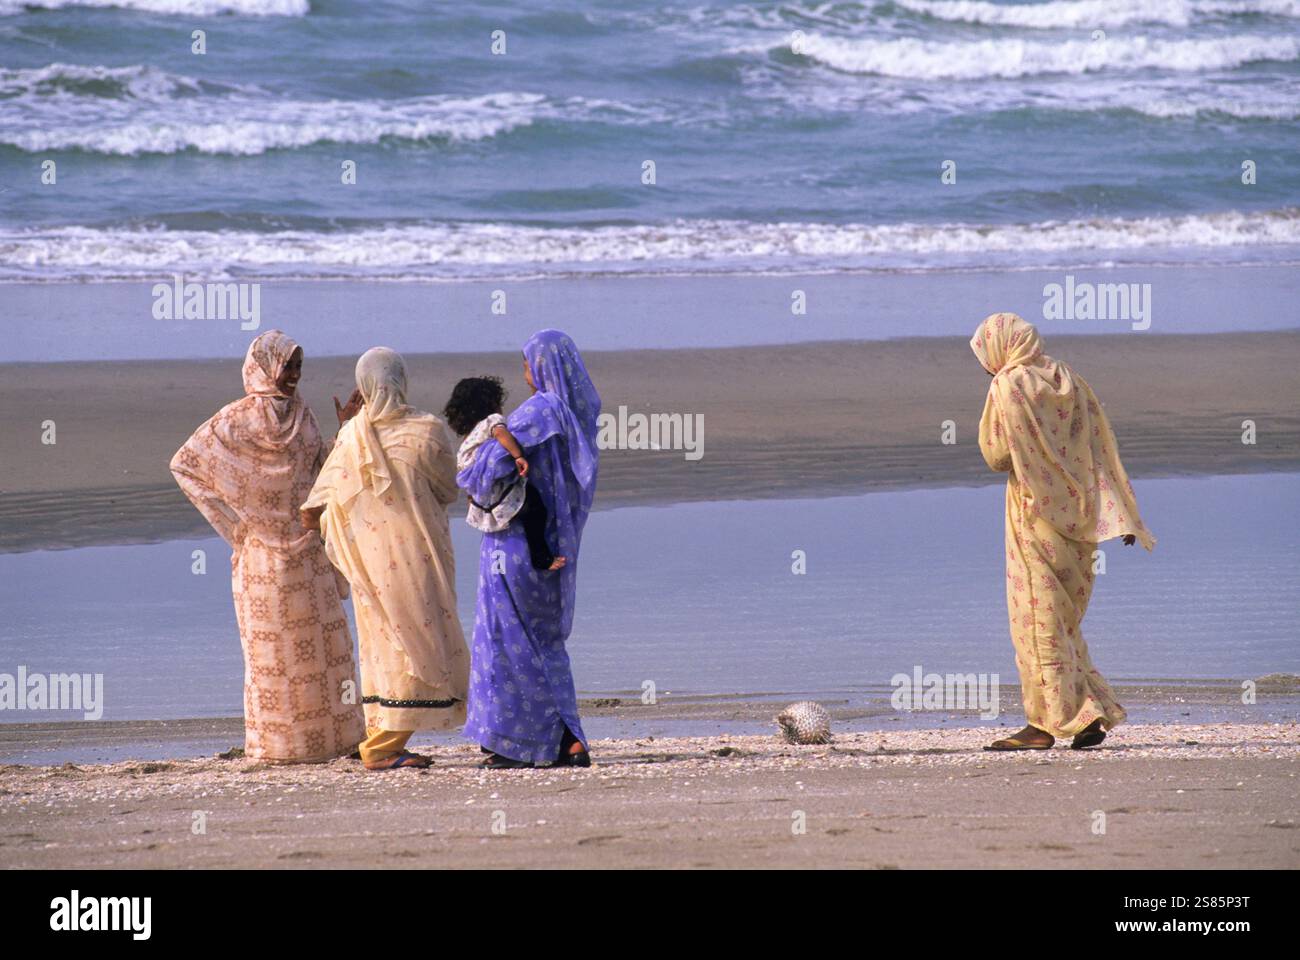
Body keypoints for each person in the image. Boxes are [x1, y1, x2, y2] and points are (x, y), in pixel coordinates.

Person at [170, 330, 365, 763]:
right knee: (272, 659)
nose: (293, 375)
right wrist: (237, 526)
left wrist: (346, 432)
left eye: (297, 366)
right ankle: (278, 748)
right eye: (286, 366)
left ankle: (338, 742)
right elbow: (186, 465)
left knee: (326, 650)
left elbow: (322, 474)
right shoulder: (234, 420)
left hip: (309, 555)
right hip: (263, 561)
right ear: (263, 367)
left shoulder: (305, 416)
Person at [971, 312, 1155, 751]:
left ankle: (1044, 725)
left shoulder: (1008, 385)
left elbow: (996, 456)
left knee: (1035, 623)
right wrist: (1119, 511)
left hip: (1035, 516)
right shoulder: (1067, 378)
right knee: (1063, 625)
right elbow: (1096, 446)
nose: (984, 365)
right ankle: (1088, 713)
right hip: (1083, 518)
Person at [301, 347, 470, 770]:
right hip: (419, 557)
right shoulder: (427, 430)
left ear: (363, 385)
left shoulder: (351, 439)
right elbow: (450, 490)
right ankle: (381, 747)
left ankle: (383, 740)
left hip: (370, 565)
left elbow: (312, 510)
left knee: (387, 645)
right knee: (424, 642)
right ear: (401, 380)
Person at [457, 330, 599, 768]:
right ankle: (568, 739)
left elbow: (484, 473)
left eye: (526, 364)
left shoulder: (536, 413)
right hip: (555, 541)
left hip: (513, 545)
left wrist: (474, 460)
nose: (524, 374)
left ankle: (516, 740)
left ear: (540, 367)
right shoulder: (577, 416)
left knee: (507, 638)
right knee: (546, 640)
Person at [443, 375, 566, 572]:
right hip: (494, 485)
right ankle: (541, 558)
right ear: (491, 403)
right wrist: (518, 455)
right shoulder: (492, 420)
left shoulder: (470, 436)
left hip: (477, 487)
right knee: (535, 509)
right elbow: (501, 433)